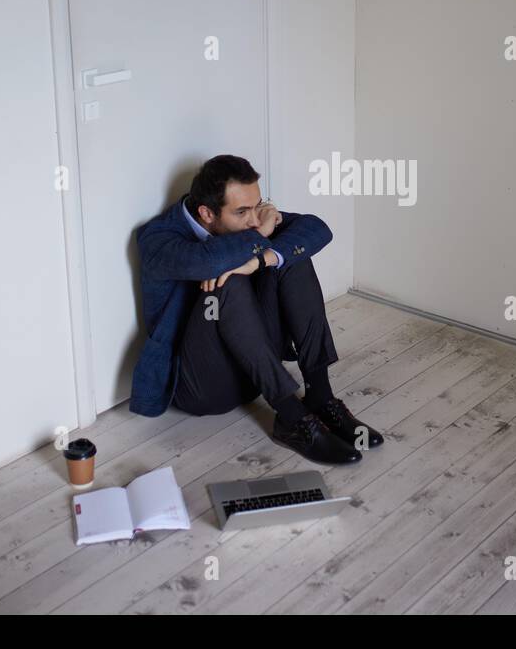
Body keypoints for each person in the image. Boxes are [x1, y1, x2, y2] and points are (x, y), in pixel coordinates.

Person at [129, 154, 383, 465]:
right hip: (203, 386)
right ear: (207, 213)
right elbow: (208, 261)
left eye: (258, 205)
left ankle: (321, 397)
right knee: (227, 280)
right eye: (242, 212)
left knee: (290, 256)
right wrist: (260, 235)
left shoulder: (244, 219)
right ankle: (291, 416)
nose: (253, 219)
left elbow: (318, 229)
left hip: (252, 368)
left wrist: (263, 257)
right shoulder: (157, 238)